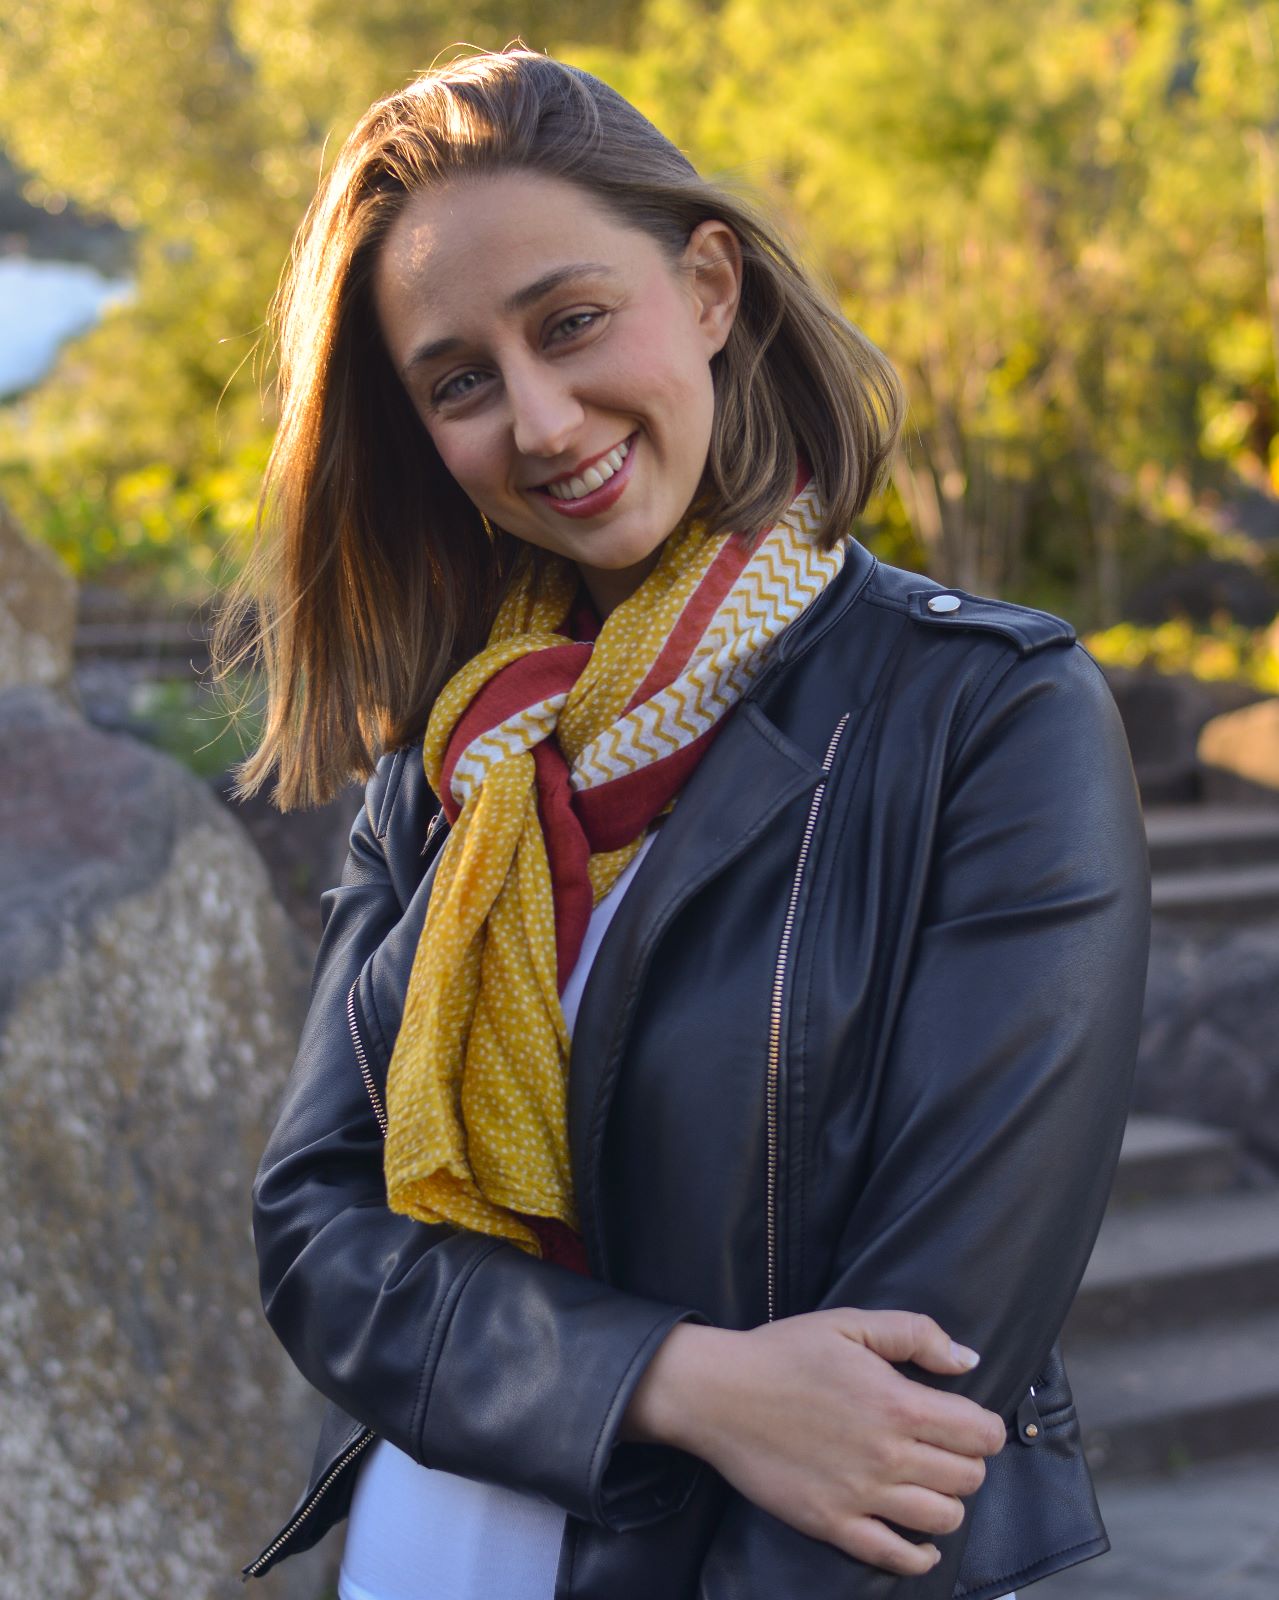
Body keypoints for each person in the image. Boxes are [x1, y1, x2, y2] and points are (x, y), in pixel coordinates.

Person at [222, 44, 1151, 1600]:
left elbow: (914, 1400)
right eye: (461, 381)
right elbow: (323, 1243)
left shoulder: (987, 722)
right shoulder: (454, 761)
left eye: (572, 322)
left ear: (709, 287)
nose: (538, 417)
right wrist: (686, 1381)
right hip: (426, 1554)